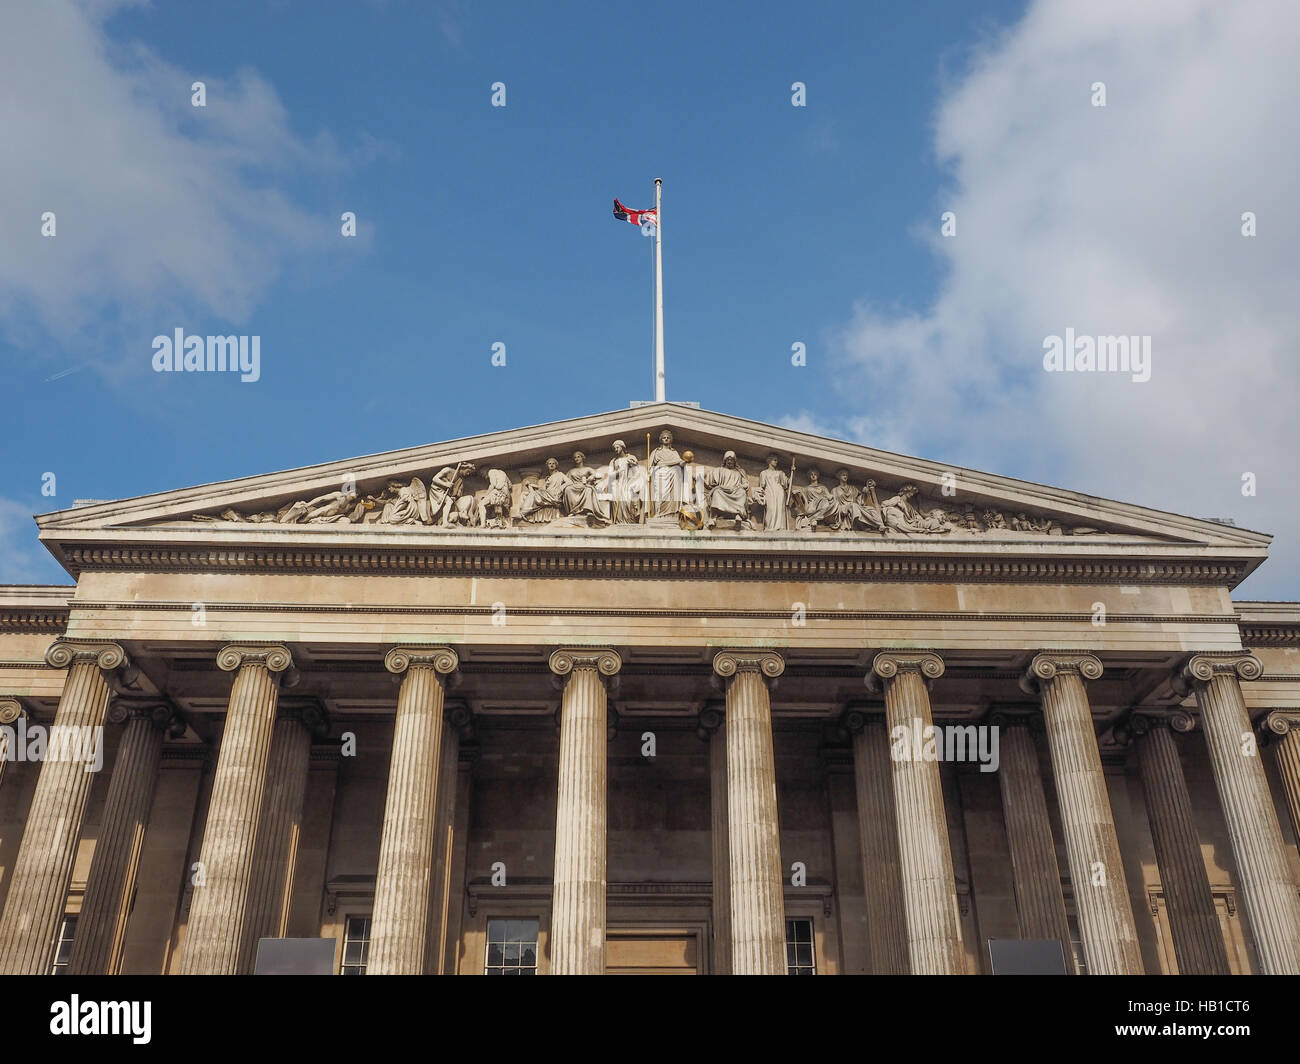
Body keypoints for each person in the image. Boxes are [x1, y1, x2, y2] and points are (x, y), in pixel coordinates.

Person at [701, 451, 751, 529]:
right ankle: (713, 518)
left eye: (731, 460)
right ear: (725, 461)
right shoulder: (719, 470)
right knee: (717, 492)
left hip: (735, 491)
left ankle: (738, 515)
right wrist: (700, 479)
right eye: (728, 460)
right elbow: (709, 483)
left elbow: (746, 484)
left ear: (735, 461)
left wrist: (740, 486)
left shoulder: (740, 472)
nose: (730, 461)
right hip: (723, 490)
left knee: (742, 493)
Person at [648, 430, 684, 518]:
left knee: (677, 470)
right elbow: (650, 467)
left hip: (672, 475)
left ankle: (672, 512)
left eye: (668, 438)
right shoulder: (656, 452)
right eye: (664, 438)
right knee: (660, 494)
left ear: (671, 440)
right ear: (661, 439)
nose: (666, 439)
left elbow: (680, 463)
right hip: (659, 474)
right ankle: (659, 512)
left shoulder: (674, 452)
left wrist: (684, 462)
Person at [607, 439, 642, 523]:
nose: (616, 449)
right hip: (617, 484)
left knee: (628, 499)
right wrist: (618, 471)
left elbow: (637, 472)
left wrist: (633, 465)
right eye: (614, 448)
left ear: (622, 447)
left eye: (617, 447)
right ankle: (619, 521)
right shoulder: (613, 461)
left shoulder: (631, 458)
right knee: (615, 496)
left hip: (628, 483)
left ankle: (630, 521)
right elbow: (610, 475)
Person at [756, 455, 789, 531]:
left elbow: (786, 483)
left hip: (779, 491)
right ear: (769, 461)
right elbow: (762, 486)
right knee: (770, 509)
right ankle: (769, 527)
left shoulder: (780, 472)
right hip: (769, 491)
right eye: (775, 460)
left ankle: (780, 527)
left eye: (777, 460)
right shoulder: (763, 473)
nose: (776, 462)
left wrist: (792, 472)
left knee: (779, 509)